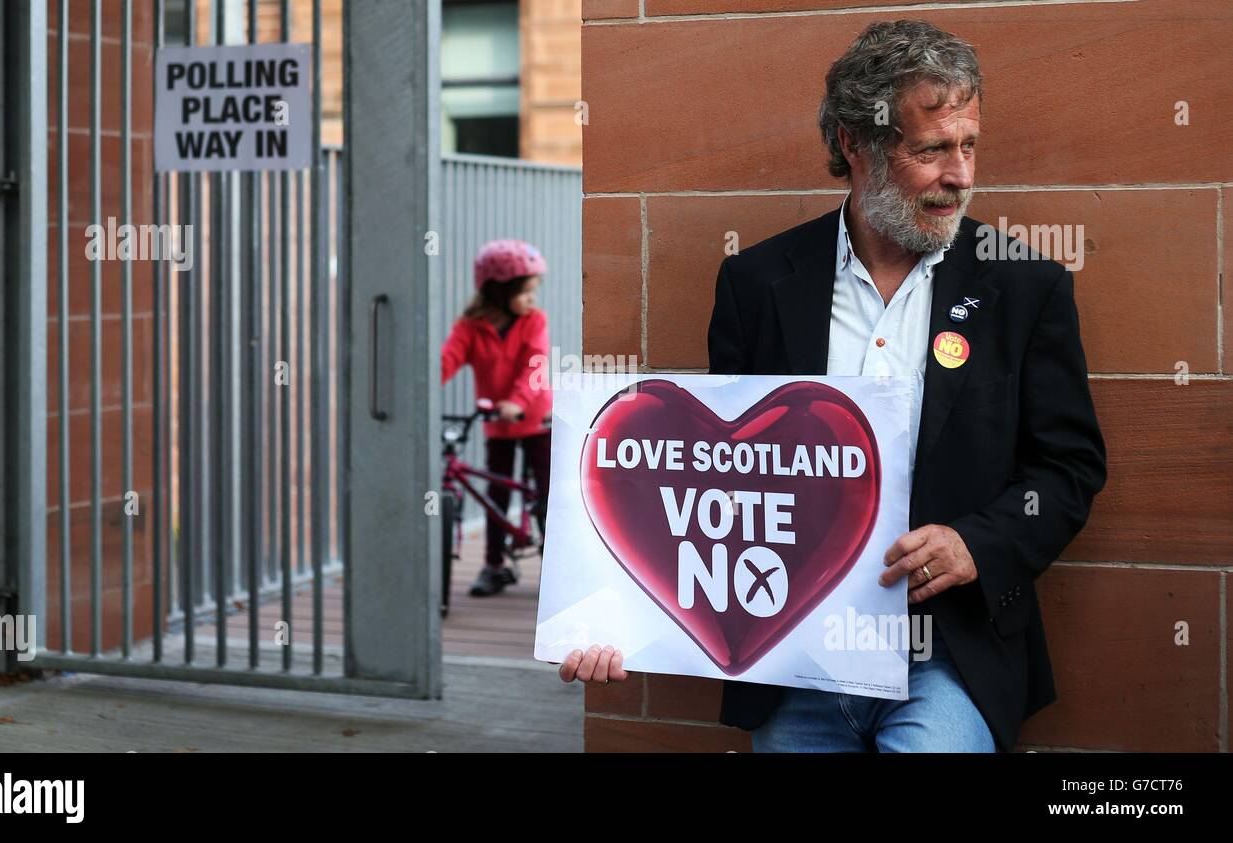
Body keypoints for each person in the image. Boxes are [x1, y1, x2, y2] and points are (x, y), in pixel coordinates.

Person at [560, 19, 1107, 753]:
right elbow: (715, 480)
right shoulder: (756, 284)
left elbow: (1069, 468)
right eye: (932, 149)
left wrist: (977, 543)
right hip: (796, 659)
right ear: (857, 144)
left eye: (969, 145)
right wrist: (613, 615)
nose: (961, 176)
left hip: (949, 655)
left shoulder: (1024, 286)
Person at [441, 239, 554, 597]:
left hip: (534, 416)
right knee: (497, 494)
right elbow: (447, 361)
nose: (532, 299)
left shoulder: (534, 321)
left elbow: (536, 366)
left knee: (549, 492)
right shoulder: (469, 327)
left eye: (534, 291)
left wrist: (517, 401)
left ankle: (558, 568)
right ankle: (494, 565)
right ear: (498, 291)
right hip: (498, 425)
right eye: (525, 292)